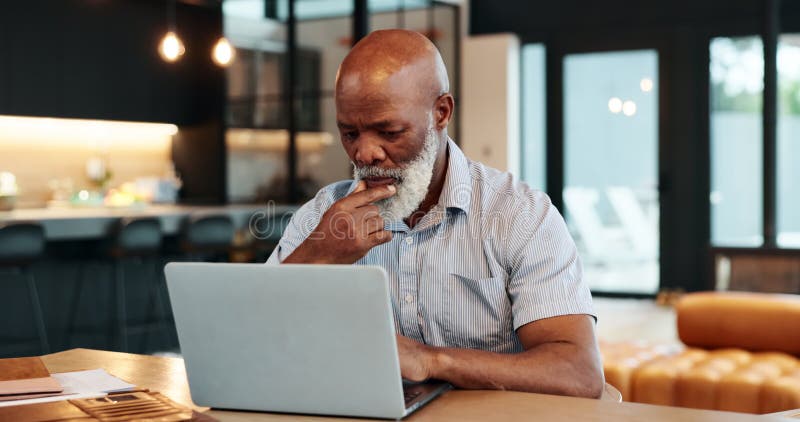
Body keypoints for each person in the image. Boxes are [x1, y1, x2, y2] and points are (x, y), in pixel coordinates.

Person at [267, 29, 603, 398]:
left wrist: (430, 360)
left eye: (388, 131)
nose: (365, 153)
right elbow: (250, 342)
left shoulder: (520, 215)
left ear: (441, 112)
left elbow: (577, 372)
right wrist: (316, 258)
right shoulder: (322, 215)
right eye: (349, 133)